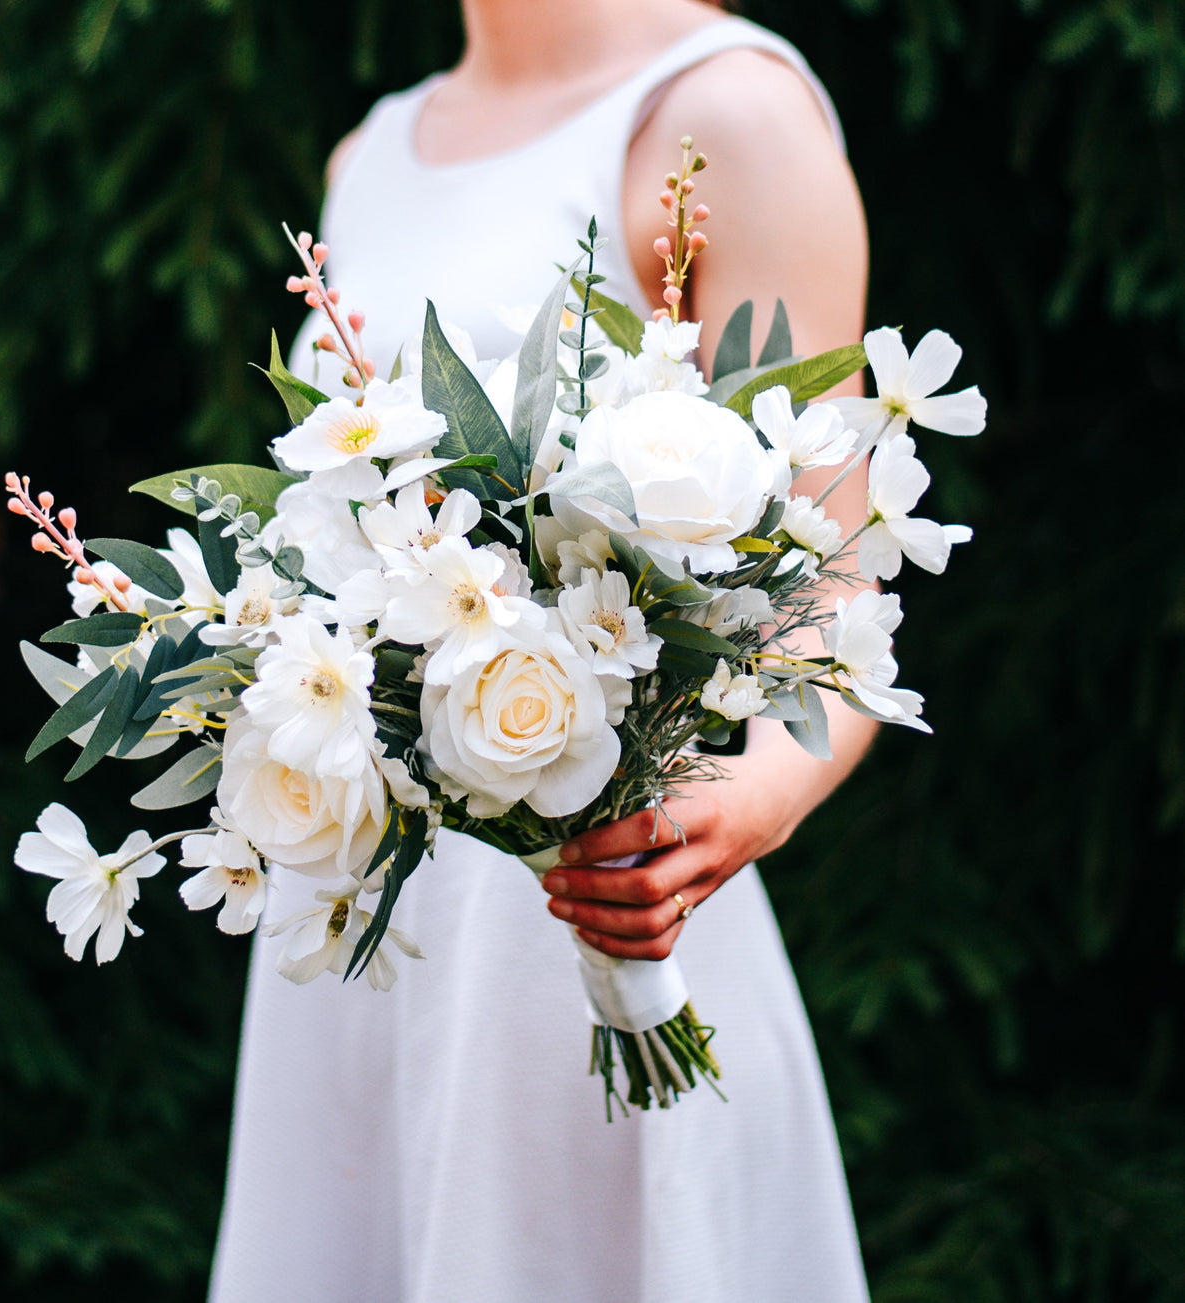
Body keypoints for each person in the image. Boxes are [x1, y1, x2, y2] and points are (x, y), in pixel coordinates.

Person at [209, 2, 877, 1299]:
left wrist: (751, 799)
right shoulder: (373, 152)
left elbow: (836, 577)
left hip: (586, 897)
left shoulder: (725, 113)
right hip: (353, 902)